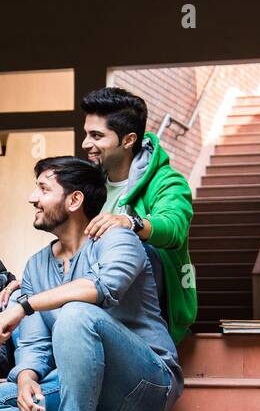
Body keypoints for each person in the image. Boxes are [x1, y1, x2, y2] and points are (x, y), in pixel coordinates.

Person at [0, 156, 184, 411]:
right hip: (78, 393)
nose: (32, 198)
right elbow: (35, 343)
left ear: (74, 199)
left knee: (76, 312)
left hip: (143, 388)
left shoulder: (117, 239)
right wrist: (26, 377)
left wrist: (23, 304)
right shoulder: (38, 264)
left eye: (43, 188)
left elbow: (104, 288)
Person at [81, 86, 196, 342]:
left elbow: (173, 227)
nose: (86, 144)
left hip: (149, 317)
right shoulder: (90, 184)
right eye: (86, 134)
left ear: (128, 140)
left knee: (130, 243)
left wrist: (130, 222)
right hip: (93, 305)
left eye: (97, 136)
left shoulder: (167, 182)